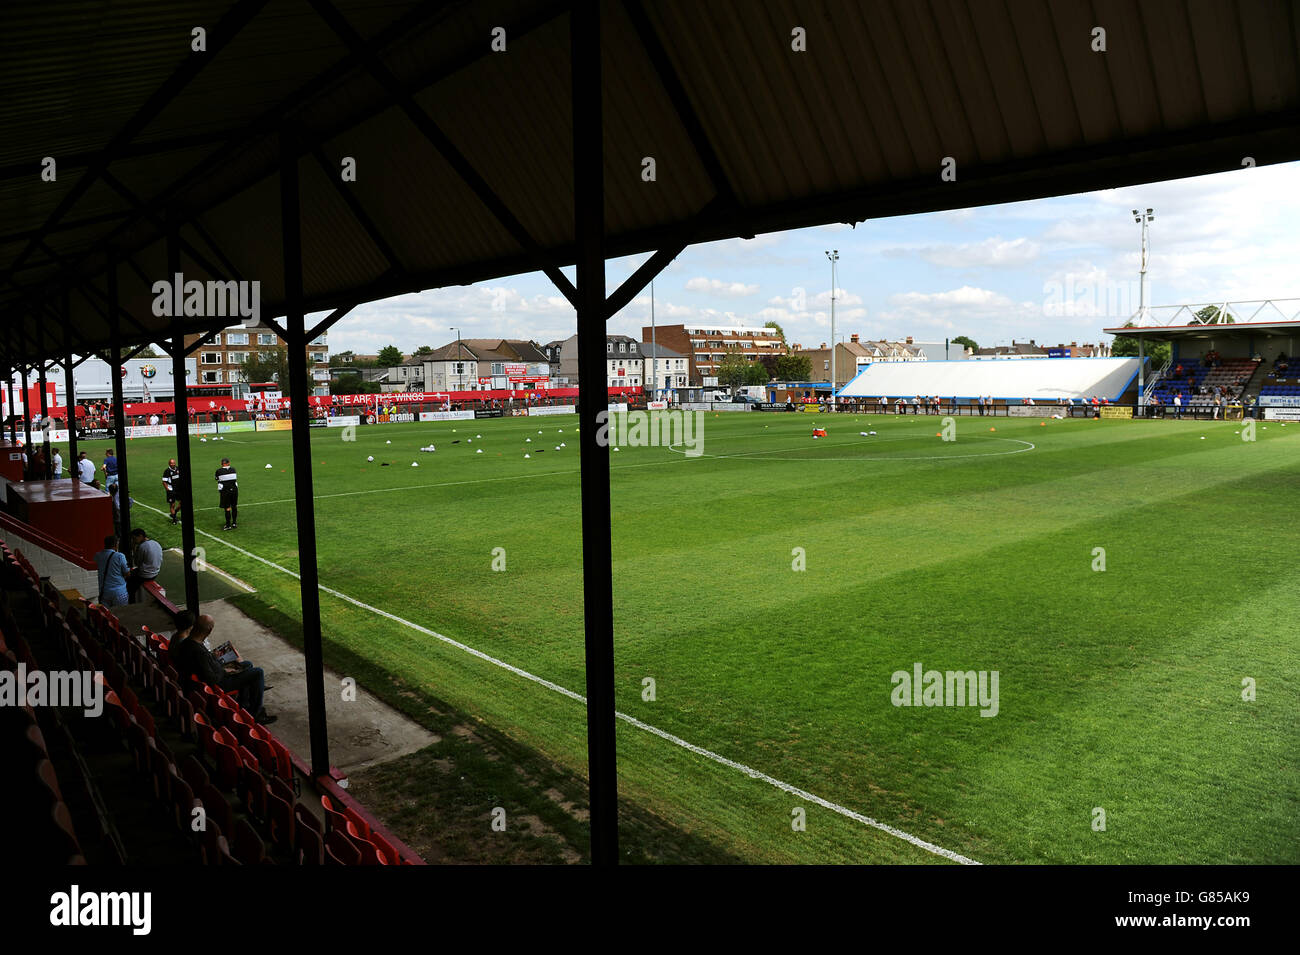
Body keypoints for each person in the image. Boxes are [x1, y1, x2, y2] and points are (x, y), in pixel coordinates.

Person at [172, 614, 276, 725]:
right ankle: (256, 713)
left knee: (247, 664)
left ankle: (244, 704)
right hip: (221, 684)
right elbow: (212, 679)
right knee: (258, 672)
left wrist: (214, 658)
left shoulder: (188, 642)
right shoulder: (198, 651)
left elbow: (204, 664)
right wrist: (224, 671)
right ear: (209, 630)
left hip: (216, 672)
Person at [127, 528, 163, 603]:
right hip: (155, 573)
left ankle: (131, 602)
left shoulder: (142, 546)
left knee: (129, 584)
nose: (133, 541)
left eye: (134, 538)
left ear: (140, 536)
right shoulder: (156, 543)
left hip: (145, 575)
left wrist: (134, 549)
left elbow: (137, 563)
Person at [94, 535, 130, 607]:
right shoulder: (120, 556)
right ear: (116, 544)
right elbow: (127, 573)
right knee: (121, 613)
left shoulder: (97, 555)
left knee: (107, 614)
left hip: (103, 591)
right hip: (119, 592)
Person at [215, 457, 239, 530]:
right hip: (234, 490)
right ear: (228, 463)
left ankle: (228, 525)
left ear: (222, 464)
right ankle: (234, 523)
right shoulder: (233, 469)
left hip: (225, 491)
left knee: (227, 508)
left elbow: (216, 478)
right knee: (234, 506)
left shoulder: (219, 471)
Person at [162, 458, 181, 524]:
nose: (173, 464)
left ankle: (174, 513)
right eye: (171, 463)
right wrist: (167, 489)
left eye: (173, 463)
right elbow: (164, 482)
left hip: (178, 490)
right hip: (171, 490)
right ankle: (174, 520)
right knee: (172, 505)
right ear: (169, 464)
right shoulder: (167, 471)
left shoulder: (178, 469)